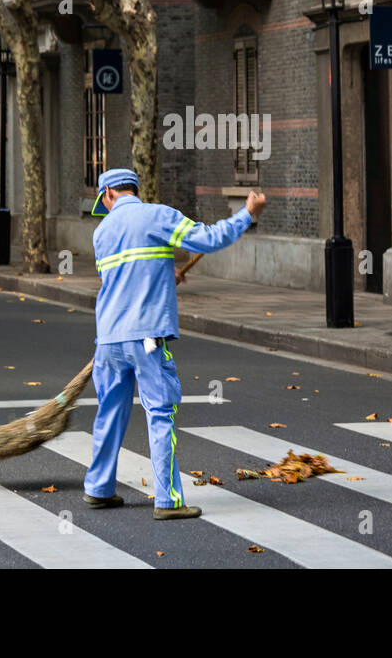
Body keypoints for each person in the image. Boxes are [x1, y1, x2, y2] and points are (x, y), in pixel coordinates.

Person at [83, 167, 267, 520]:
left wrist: (165, 275)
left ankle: (98, 488)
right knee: (160, 412)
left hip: (108, 340)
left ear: (107, 194)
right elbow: (209, 239)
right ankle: (167, 500)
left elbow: (120, 281)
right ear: (134, 190)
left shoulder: (102, 232)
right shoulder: (158, 216)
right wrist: (247, 214)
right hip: (148, 338)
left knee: (109, 412)